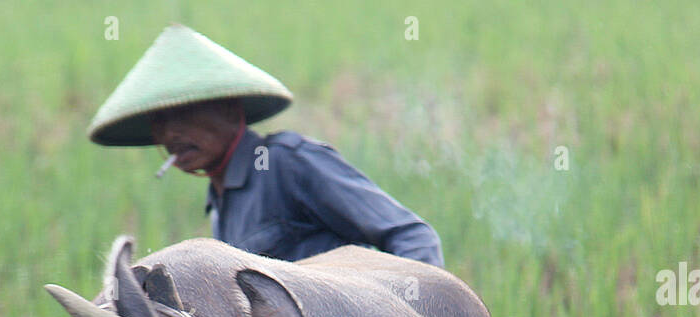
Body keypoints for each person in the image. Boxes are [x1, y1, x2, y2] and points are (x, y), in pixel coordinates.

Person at [88, 24, 444, 266]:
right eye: (160, 123)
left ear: (230, 108)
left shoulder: (284, 164)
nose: (170, 136)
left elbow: (411, 236)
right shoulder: (219, 202)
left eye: (183, 115)